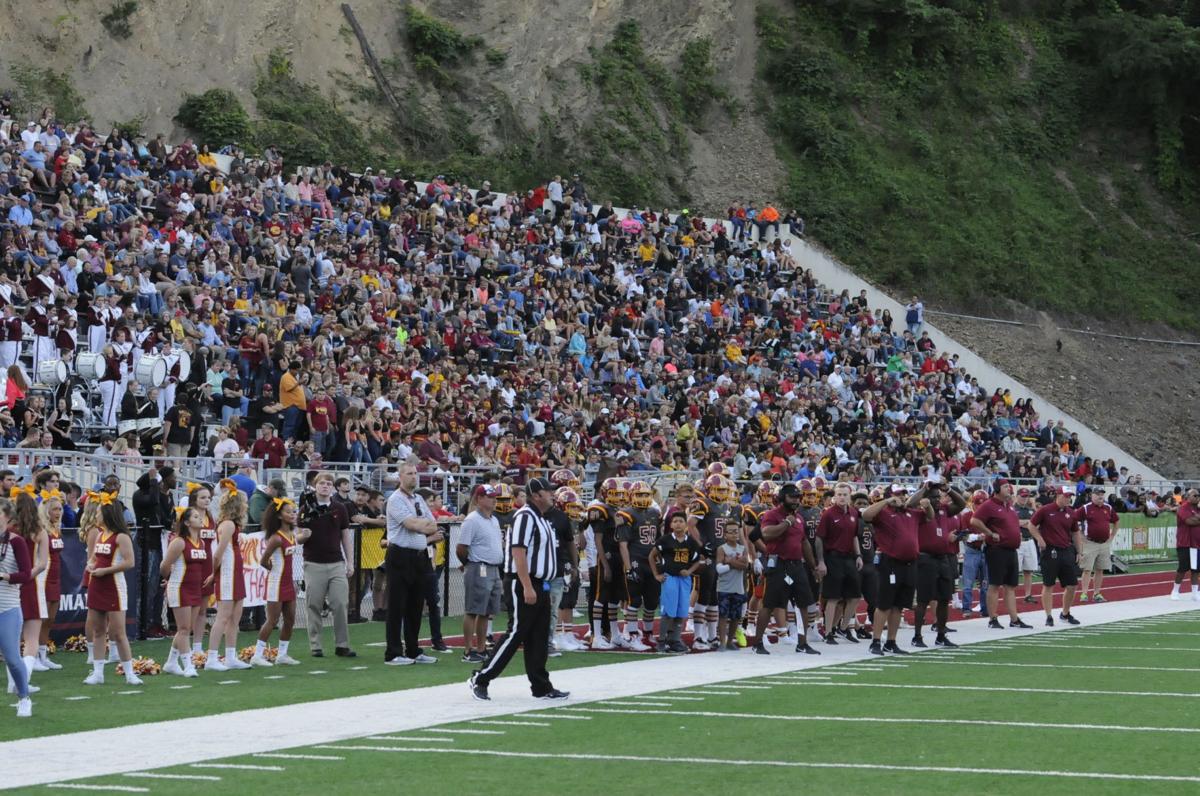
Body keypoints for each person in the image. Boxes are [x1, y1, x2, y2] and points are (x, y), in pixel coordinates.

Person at [469, 478, 568, 701]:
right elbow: (518, 551)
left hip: (540, 583)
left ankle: (541, 686)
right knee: (516, 633)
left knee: (539, 637)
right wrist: (526, 585)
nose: (552, 494)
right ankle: (480, 678)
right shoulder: (525, 516)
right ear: (536, 495)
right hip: (524, 582)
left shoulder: (541, 518)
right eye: (547, 491)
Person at [383, 463, 441, 665]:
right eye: (409, 473)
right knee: (397, 605)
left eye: (416, 473)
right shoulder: (395, 499)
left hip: (419, 555)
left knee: (416, 605)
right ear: (400, 476)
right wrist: (423, 525)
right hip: (400, 555)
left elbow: (433, 524)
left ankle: (413, 650)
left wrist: (423, 525)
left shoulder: (417, 499)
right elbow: (412, 524)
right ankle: (393, 652)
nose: (414, 477)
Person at [83, 495, 142, 686]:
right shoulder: (100, 534)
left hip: (114, 586)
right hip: (96, 585)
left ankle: (130, 673)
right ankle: (98, 673)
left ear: (107, 514)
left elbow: (129, 562)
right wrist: (90, 566)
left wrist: (105, 571)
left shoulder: (122, 536)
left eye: (99, 512)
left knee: (118, 632)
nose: (96, 515)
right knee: (98, 630)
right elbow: (93, 558)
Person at [756, 483, 820, 656]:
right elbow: (767, 534)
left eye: (798, 497)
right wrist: (785, 523)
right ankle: (757, 642)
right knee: (769, 604)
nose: (796, 500)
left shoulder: (798, 517)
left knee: (804, 603)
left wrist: (813, 566)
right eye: (792, 497)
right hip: (777, 564)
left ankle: (802, 642)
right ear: (782, 498)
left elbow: (804, 542)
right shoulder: (772, 514)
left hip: (796, 565)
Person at [300, 472, 355, 658]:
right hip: (313, 562)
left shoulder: (340, 508)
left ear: (333, 487)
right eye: (322, 483)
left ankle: (342, 644)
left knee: (340, 603)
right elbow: (297, 536)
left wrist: (350, 562)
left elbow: (346, 536)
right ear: (315, 486)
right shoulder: (306, 507)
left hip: (336, 562)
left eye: (329, 483)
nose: (325, 486)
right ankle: (315, 645)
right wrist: (303, 536)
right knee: (313, 604)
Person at [862, 484, 922, 655]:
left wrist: (925, 489)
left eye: (903, 494)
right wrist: (886, 501)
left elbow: (928, 514)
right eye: (898, 494)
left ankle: (891, 641)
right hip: (891, 564)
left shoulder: (911, 513)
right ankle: (875, 641)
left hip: (909, 564)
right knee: (884, 604)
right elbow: (866, 514)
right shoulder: (884, 513)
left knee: (898, 606)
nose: (902, 497)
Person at [252, 497, 310, 667]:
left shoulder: (291, 534)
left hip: (288, 583)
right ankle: (257, 655)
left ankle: (282, 655)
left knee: (290, 619)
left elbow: (298, 539)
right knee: (272, 620)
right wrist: (274, 571)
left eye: (293, 511)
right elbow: (263, 561)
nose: (292, 514)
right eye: (288, 512)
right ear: (278, 516)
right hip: (276, 583)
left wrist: (306, 534)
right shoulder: (276, 538)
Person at [972, 479, 1034, 631]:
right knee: (994, 585)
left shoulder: (1009, 506)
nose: (1009, 488)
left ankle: (1014, 619)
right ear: (997, 489)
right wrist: (989, 533)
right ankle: (993, 618)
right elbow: (974, 520)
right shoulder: (989, 505)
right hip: (997, 550)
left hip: (1011, 550)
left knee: (1010, 586)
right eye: (1006, 486)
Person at [912, 481, 967, 648]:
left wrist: (948, 489)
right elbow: (910, 503)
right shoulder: (919, 512)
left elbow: (961, 503)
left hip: (943, 557)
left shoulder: (943, 510)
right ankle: (917, 636)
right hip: (925, 557)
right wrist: (924, 490)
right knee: (923, 600)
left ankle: (941, 635)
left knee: (944, 598)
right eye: (933, 497)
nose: (938, 500)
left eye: (938, 497)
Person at [205, 479, 251, 671]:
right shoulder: (228, 525)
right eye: (244, 504)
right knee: (223, 617)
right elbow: (218, 553)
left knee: (235, 618)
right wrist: (212, 574)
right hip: (227, 574)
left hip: (236, 573)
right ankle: (212, 659)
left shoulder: (231, 524)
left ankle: (231, 656)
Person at [457, 484, 504, 663]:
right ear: (479, 499)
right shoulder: (472, 520)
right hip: (479, 567)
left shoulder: (493, 519)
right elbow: (461, 547)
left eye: (494, 497)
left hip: (492, 568)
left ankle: (481, 647)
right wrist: (470, 564)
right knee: (472, 609)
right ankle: (468, 650)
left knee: (486, 611)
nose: (494, 500)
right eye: (490, 497)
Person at [615, 480, 661, 651]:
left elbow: (658, 541)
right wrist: (628, 568)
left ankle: (648, 634)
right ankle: (632, 636)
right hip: (636, 561)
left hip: (652, 563)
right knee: (634, 601)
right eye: (639, 494)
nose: (643, 498)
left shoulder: (655, 513)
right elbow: (623, 544)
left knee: (651, 602)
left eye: (646, 494)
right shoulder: (626, 514)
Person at [160, 507, 205, 677]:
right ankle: (188, 666)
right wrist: (169, 579)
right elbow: (164, 566)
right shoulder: (179, 542)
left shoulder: (200, 542)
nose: (200, 518)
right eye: (195, 516)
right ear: (186, 522)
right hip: (179, 588)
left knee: (187, 629)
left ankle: (171, 663)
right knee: (184, 628)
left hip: (195, 589)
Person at [1028, 486, 1083, 626]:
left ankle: (1065, 613)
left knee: (1072, 584)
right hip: (1050, 551)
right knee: (1048, 584)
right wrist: (1039, 539)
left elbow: (1075, 533)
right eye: (1066, 496)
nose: (1068, 499)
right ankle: (1048, 615)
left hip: (1066, 550)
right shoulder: (1045, 510)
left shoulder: (1071, 513)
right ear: (1058, 495)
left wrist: (1080, 551)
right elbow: (1031, 525)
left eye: (1070, 496)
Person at [650, 511, 704, 653]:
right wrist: (656, 575)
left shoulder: (691, 542)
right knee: (668, 611)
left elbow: (698, 560)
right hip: (670, 578)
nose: (678, 523)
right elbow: (652, 556)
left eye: (681, 521)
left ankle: (674, 639)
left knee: (681, 612)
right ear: (671, 525)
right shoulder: (665, 540)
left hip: (684, 580)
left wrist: (690, 571)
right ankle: (661, 641)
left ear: (686, 524)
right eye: (675, 521)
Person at [816, 483, 863, 645]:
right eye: (839, 494)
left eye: (845, 494)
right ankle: (828, 632)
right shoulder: (828, 514)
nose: (842, 497)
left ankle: (843, 628)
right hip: (833, 557)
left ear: (850, 496)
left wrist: (858, 555)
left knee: (855, 596)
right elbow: (820, 538)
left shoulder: (854, 513)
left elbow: (854, 536)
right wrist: (821, 561)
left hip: (849, 557)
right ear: (834, 496)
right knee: (833, 597)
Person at [1, 498, 35, 716]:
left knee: (13, 657)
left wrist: (6, 576)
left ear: (7, 517)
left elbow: (26, 574)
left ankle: (24, 697)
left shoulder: (16, 541)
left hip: (7, 607)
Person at [12, 490, 48, 684]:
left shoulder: (8, 531)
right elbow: (42, 564)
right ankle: (22, 682)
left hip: (10, 584)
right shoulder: (40, 531)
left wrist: (15, 578)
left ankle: (13, 682)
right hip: (31, 585)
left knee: (13, 639)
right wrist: (26, 576)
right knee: (32, 637)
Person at [36, 492, 65, 670]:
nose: (58, 512)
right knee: (41, 618)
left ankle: (43, 654)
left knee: (51, 619)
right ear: (46, 511)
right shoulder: (42, 530)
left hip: (56, 577)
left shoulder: (56, 529)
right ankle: (33, 656)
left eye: (60, 509)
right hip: (43, 577)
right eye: (55, 509)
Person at [1076, 486, 1119, 603]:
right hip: (1089, 542)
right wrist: (1081, 536)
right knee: (1087, 569)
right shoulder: (1085, 508)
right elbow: (1074, 521)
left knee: (1100, 569)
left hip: (1104, 543)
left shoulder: (1108, 507)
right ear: (1092, 496)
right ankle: (1084, 593)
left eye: (1102, 494)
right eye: (1098, 494)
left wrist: (1112, 536)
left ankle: (1096, 593)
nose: (1100, 496)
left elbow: (1116, 521)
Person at [715, 523, 748, 651]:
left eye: (736, 531)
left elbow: (745, 566)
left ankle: (730, 641)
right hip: (724, 587)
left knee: (736, 616)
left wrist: (729, 561)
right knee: (723, 615)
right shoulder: (722, 549)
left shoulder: (742, 548)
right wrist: (734, 564)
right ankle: (722, 642)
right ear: (725, 535)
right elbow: (719, 569)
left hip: (738, 587)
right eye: (731, 532)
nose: (734, 534)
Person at [958, 490, 990, 617]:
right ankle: (966, 608)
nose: (980, 506)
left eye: (982, 503)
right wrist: (978, 537)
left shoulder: (990, 517)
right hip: (972, 550)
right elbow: (964, 536)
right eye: (977, 503)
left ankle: (985, 608)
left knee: (985, 583)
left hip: (986, 550)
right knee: (968, 582)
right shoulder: (966, 516)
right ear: (973, 503)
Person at [1170, 489, 1200, 601]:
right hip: (1184, 543)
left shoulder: (1198, 509)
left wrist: (1196, 517)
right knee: (1183, 568)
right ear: (1188, 496)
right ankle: (1175, 590)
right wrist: (1196, 518)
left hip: (1197, 543)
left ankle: (1195, 593)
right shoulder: (1183, 508)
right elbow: (1189, 522)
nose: (1197, 497)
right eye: (1195, 495)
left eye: (1198, 495)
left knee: (1196, 569)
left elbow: (1195, 520)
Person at [1014, 488, 1039, 604]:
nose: (1025, 498)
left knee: (1028, 570)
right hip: (1017, 542)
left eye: (1026, 496)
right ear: (1017, 496)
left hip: (1029, 540)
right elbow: (1014, 522)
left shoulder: (1031, 510)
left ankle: (1028, 594)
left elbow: (1036, 524)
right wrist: (1027, 523)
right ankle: (1011, 594)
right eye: (1023, 496)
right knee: (1014, 570)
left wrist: (1024, 523)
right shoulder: (1012, 509)